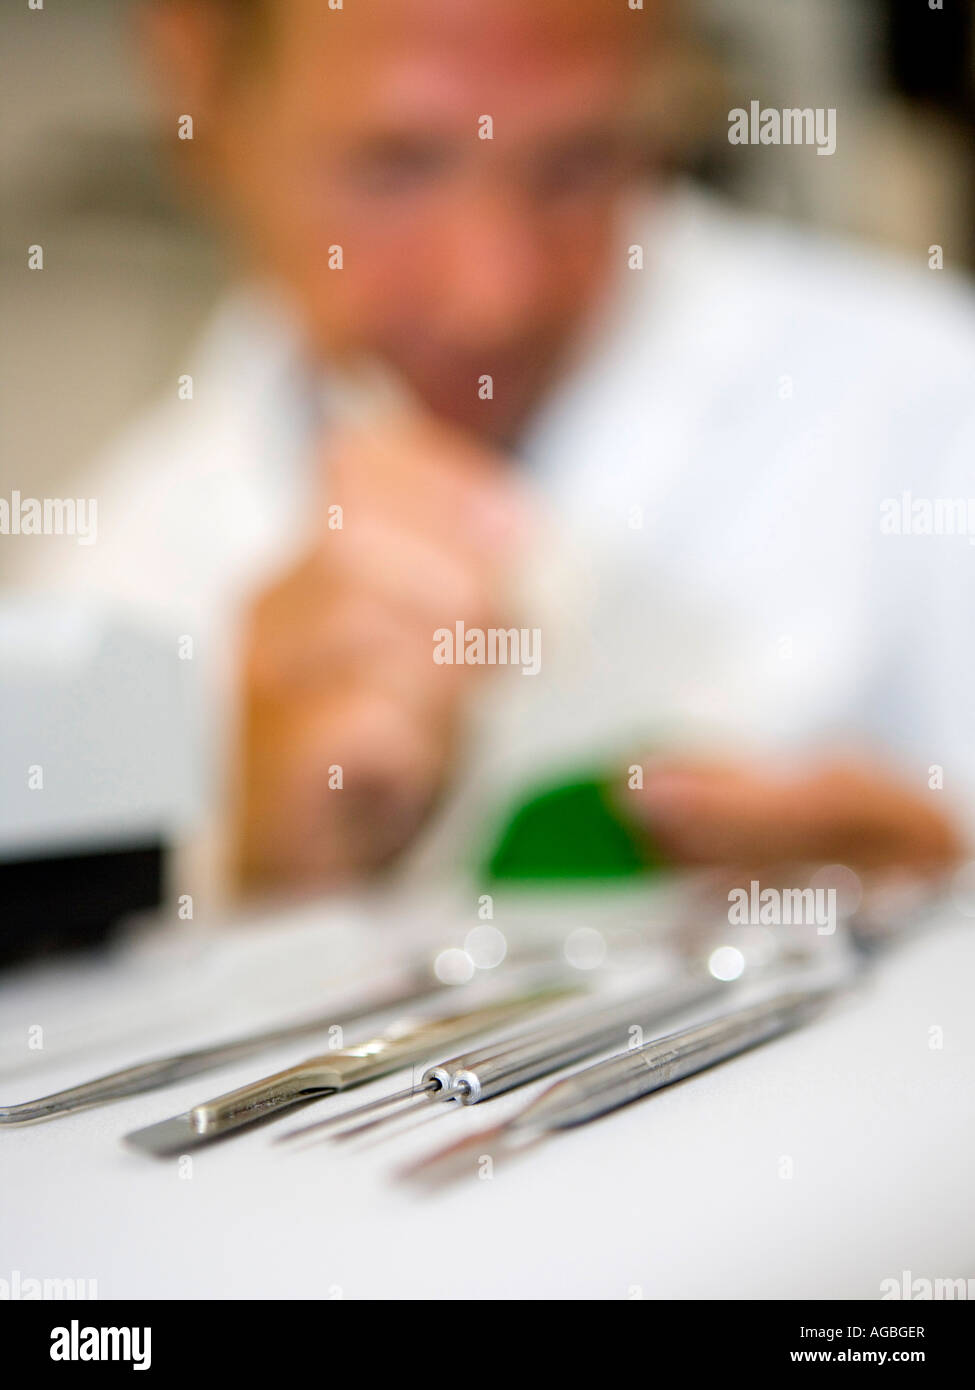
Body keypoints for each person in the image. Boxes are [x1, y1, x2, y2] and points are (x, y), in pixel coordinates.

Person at [20, 0, 974, 899]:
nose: (494, 295)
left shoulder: (928, 400)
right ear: (200, 84)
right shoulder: (97, 590)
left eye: (577, 162)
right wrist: (272, 894)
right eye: (396, 166)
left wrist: (939, 920)